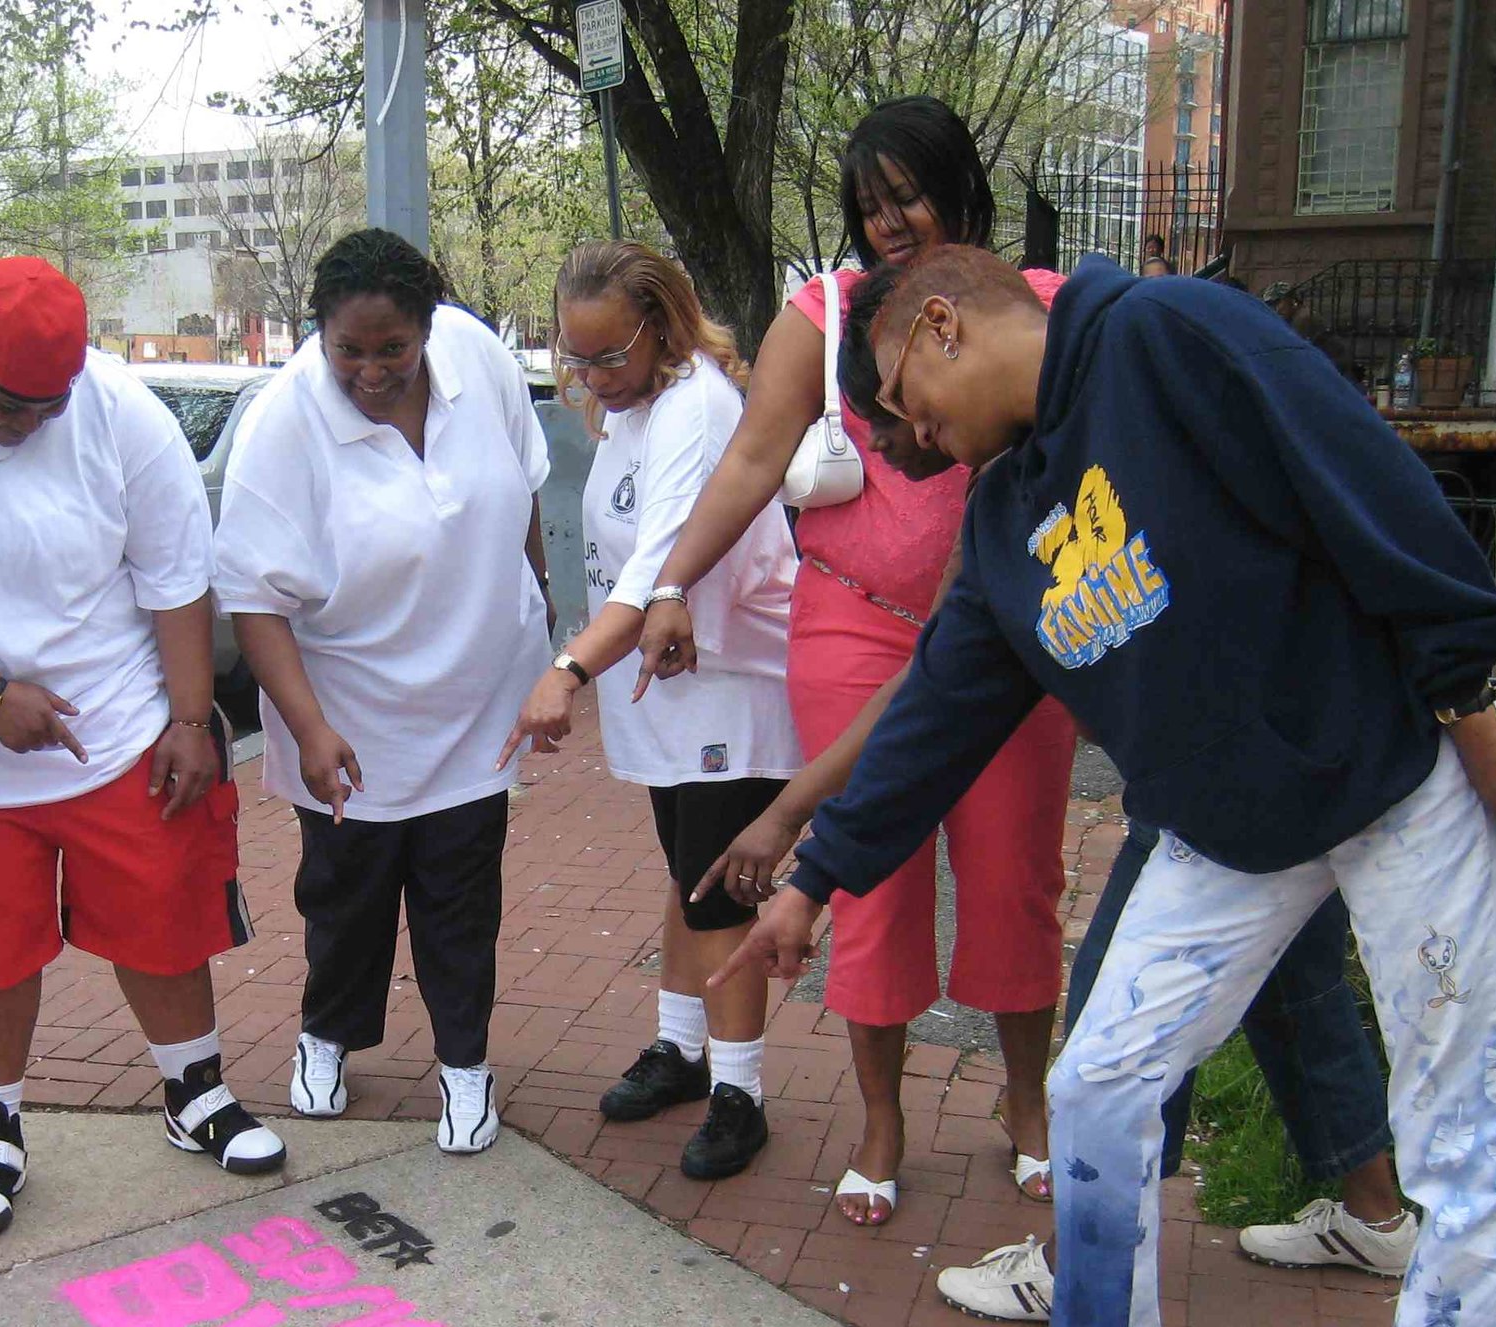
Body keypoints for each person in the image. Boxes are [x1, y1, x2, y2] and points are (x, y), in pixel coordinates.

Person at [719, 247, 1496, 1327]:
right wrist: (817, 875)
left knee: (1464, 1139)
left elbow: (1364, 485)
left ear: (943, 320)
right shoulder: (1005, 518)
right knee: (1097, 1082)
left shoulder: (1170, 338)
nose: (908, 436)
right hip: (1227, 828)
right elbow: (941, 707)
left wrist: (1469, 705)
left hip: (1400, 775)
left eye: (907, 397)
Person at [633, 97, 1077, 1229]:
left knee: (1013, 882)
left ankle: (1028, 1108)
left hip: (1011, 640)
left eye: (908, 196)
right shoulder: (818, 317)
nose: (888, 222)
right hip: (853, 624)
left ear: (960, 186)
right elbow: (745, 464)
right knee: (863, 885)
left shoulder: (1040, 310)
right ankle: (879, 1125)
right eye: (868, 204)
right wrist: (672, 584)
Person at [0, 255, 281, 1243]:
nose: (30, 423)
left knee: (162, 912)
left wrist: (186, 717)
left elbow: (173, 573)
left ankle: (194, 1092)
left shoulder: (120, 411)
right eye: (6, 405)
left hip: (113, 722)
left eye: (49, 404)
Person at [213, 229, 552, 1154]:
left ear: (430, 329)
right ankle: (328, 1033)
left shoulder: (478, 363)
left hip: (475, 704)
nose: (370, 369)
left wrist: (544, 637)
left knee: (460, 897)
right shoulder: (285, 423)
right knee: (346, 896)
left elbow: (522, 499)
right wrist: (310, 729)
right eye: (347, 349)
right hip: (348, 715)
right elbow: (252, 597)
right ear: (318, 334)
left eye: (392, 348)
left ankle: (466, 1068)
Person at [500, 240, 801, 1179]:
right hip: (665, 696)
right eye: (574, 359)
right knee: (687, 874)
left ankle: (740, 1090)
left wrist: (568, 669)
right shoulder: (632, 411)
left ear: (661, 326)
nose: (591, 377)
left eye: (608, 356)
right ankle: (681, 1045)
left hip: (728, 690)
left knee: (721, 890)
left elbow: (656, 564)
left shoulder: (700, 409)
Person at [935, 825, 1418, 1321]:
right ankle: (1375, 1217)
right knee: (1298, 992)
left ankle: (1079, 1269)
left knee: (1125, 1008)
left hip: (1210, 792)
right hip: (1313, 790)